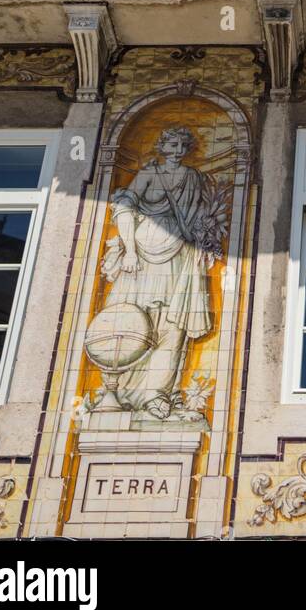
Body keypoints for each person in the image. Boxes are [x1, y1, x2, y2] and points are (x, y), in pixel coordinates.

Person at [101, 126, 220, 420]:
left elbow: (200, 217)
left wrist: (203, 245)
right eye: (172, 143)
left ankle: (157, 393)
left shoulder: (193, 177)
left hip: (178, 254)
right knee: (132, 317)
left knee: (172, 323)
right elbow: (124, 207)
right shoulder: (149, 173)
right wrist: (129, 250)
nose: (178, 150)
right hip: (142, 254)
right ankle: (121, 389)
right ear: (162, 145)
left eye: (183, 144)